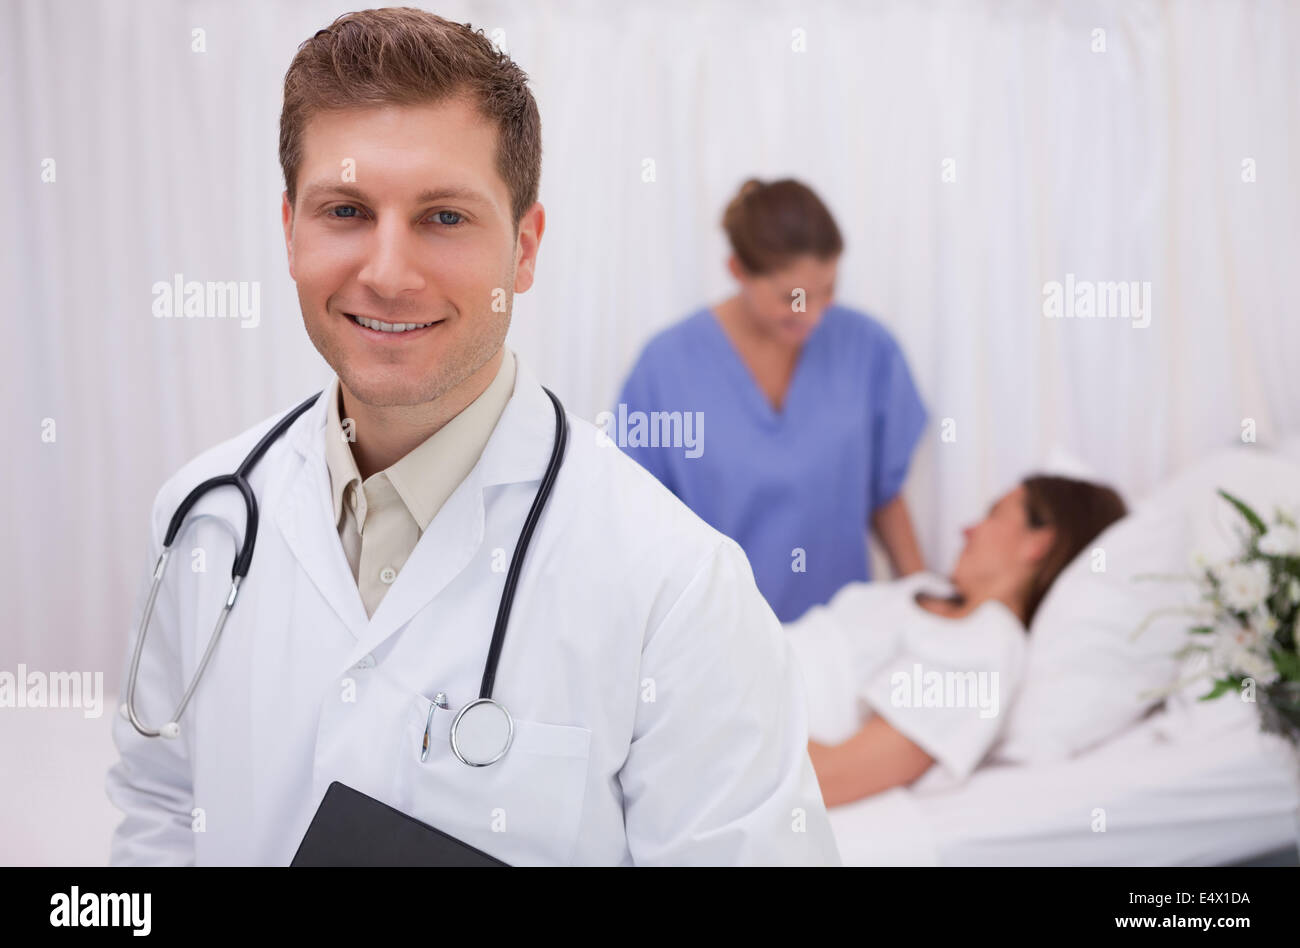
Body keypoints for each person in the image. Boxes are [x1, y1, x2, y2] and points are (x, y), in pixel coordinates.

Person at [105, 8, 839, 867]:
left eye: (444, 218)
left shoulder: (676, 586)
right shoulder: (202, 516)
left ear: (524, 249)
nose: (385, 271)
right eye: (344, 210)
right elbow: (158, 812)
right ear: (290, 230)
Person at [615, 178, 928, 624]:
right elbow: (637, 527)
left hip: (842, 640)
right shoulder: (666, 368)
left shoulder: (867, 348)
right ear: (738, 270)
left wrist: (924, 605)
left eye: (828, 290)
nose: (815, 314)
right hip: (713, 640)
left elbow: (887, 496)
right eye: (792, 298)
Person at [788, 475, 1127, 807]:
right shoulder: (925, 592)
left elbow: (831, 777)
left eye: (993, 514)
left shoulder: (985, 647)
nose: (967, 529)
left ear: (1036, 544)